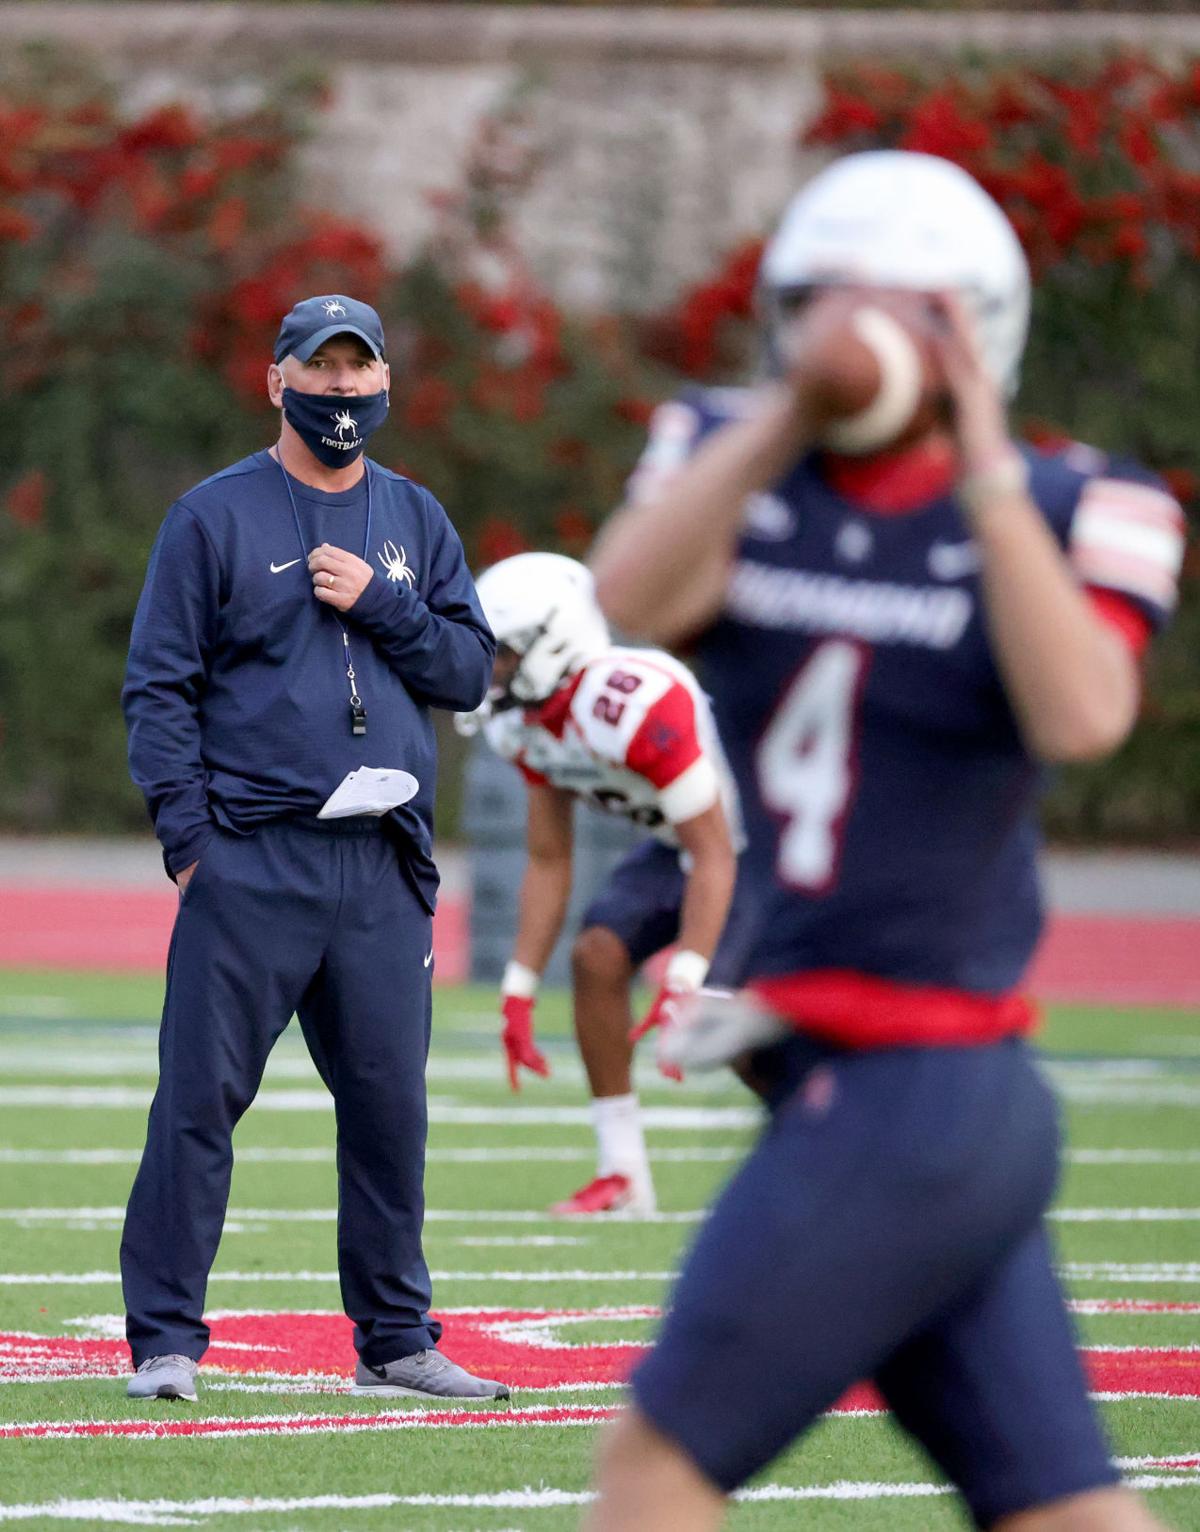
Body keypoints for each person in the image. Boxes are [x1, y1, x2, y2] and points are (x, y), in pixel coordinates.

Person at [583, 152, 1183, 1530]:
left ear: (975, 324)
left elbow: (1085, 712)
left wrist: (979, 462)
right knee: (1065, 1511)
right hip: (840, 1079)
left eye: (899, 309)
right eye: (816, 303)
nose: (847, 332)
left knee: (652, 1471)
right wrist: (792, 405)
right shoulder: (728, 456)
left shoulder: (1074, 503)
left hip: (924, 1079)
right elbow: (630, 596)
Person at [120, 293, 508, 1404]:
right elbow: (159, 687)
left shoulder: (416, 519)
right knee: (199, 1101)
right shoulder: (212, 517)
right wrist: (190, 840)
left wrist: (385, 600)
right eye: (320, 368)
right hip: (254, 857)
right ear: (277, 378)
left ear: (385, 381)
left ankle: (395, 1337)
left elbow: (469, 673)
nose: (341, 389)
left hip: (379, 862)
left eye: (359, 369)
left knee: (390, 1109)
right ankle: (165, 1342)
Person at [455, 552, 748, 1216]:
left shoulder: (629, 701)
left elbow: (717, 851)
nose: (490, 666)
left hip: (754, 848)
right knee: (598, 955)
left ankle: (848, 1168)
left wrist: (686, 979)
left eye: (502, 650)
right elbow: (550, 858)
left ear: (553, 639)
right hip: (685, 847)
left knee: (736, 1033)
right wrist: (519, 989)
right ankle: (623, 1174)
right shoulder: (519, 724)